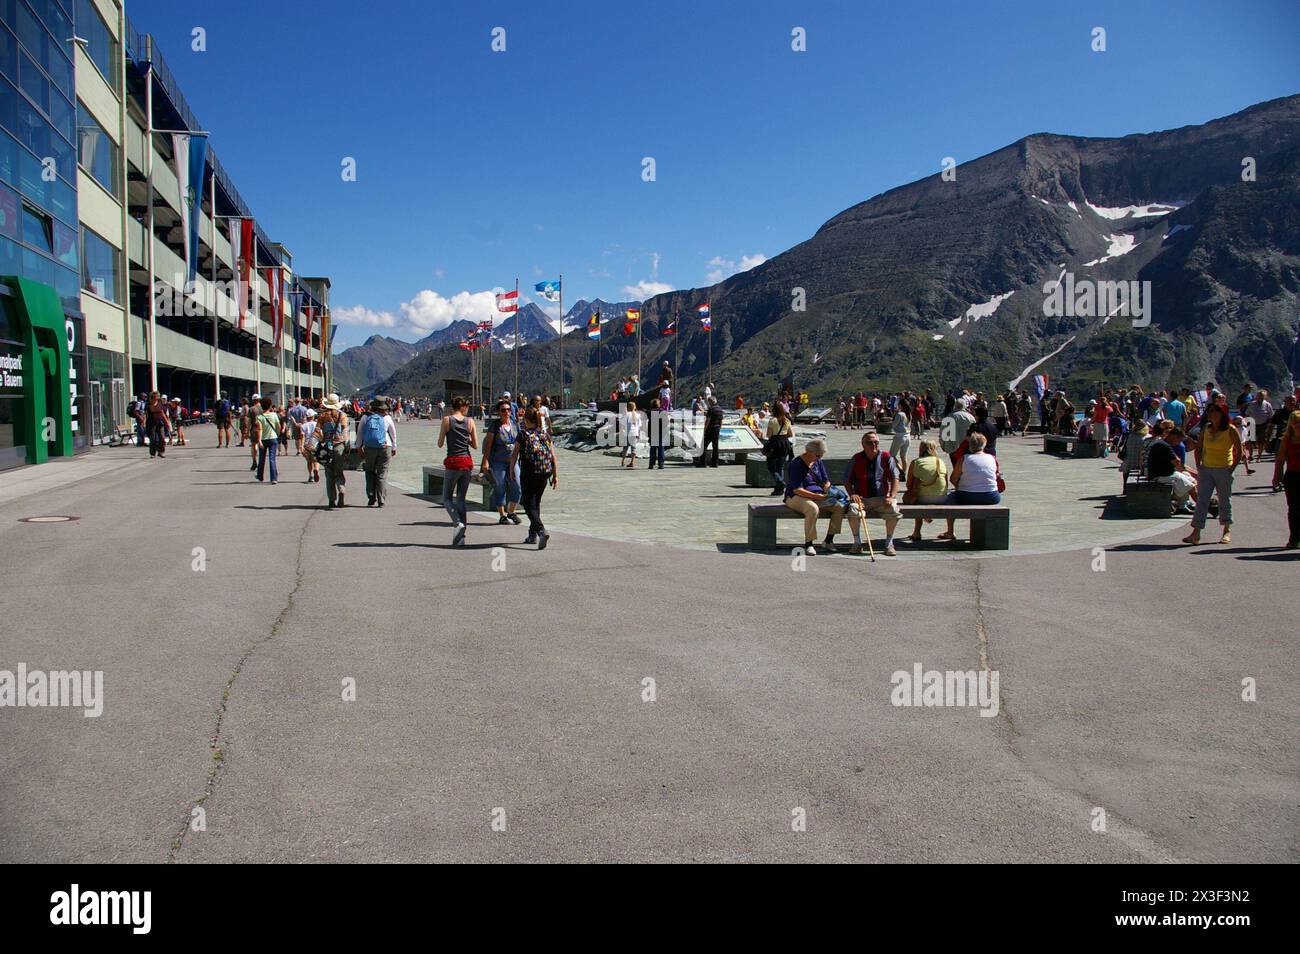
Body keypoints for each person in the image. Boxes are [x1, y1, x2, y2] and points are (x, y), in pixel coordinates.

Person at [1183, 402, 1242, 545]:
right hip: (1207, 469)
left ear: (1222, 414)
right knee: (1202, 501)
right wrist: (1199, 466)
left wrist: (1232, 468)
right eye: (1209, 412)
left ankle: (1226, 530)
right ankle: (1196, 533)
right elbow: (1199, 447)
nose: (1210, 415)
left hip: (1224, 469)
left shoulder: (1230, 429)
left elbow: (1239, 451)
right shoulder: (1206, 429)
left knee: (1224, 500)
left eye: (1213, 412)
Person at [843, 431, 903, 556]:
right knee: (853, 510)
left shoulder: (886, 457)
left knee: (893, 509)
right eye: (869, 443)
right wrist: (852, 494)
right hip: (862, 499)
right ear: (863, 444)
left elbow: (895, 478)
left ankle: (889, 543)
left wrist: (891, 496)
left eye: (876, 442)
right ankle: (857, 543)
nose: (873, 445)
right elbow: (847, 480)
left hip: (882, 498)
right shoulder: (856, 458)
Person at [783, 438, 846, 555]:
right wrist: (818, 497)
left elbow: (825, 480)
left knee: (840, 507)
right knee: (812, 509)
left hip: (818, 494)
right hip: (795, 496)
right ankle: (809, 543)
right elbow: (797, 489)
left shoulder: (817, 462)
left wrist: (827, 489)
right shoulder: (796, 464)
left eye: (821, 456)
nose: (819, 458)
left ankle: (829, 540)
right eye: (817, 455)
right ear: (809, 452)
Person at [939, 431, 1002, 541]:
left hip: (967, 495)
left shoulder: (964, 459)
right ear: (984, 444)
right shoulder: (992, 458)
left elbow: (953, 479)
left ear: (970, 445)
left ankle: (950, 531)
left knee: (950, 498)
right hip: (991, 496)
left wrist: (961, 486)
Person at [511, 405, 558, 549]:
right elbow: (553, 456)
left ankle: (541, 530)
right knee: (535, 503)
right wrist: (555, 475)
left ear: (526, 420)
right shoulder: (545, 435)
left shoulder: (523, 434)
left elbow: (515, 454)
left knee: (527, 503)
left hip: (529, 473)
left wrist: (511, 469)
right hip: (545, 472)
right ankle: (532, 535)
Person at [481, 400, 522, 525]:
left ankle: (511, 511)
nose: (507, 412)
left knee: (518, 487)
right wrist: (485, 462)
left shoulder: (515, 424)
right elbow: (488, 446)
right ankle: (502, 515)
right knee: (500, 487)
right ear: (498, 412)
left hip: (513, 461)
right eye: (503, 410)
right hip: (498, 462)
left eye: (508, 409)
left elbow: (519, 442)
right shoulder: (495, 426)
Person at [904, 439, 949, 542]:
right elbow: (946, 483)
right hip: (942, 498)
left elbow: (908, 485)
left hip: (922, 499)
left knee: (915, 494)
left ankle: (917, 532)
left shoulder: (916, 462)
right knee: (951, 498)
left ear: (921, 449)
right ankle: (950, 530)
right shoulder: (940, 461)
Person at [1145, 425, 1196, 514]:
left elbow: (1177, 462)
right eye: (1179, 440)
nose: (1179, 443)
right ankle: (1204, 507)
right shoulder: (1164, 445)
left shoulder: (1162, 443)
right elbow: (1177, 462)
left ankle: (1182, 506)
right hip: (1159, 475)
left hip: (1163, 473)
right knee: (1191, 487)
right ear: (1174, 436)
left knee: (1188, 478)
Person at [358, 396, 398, 508]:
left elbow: (360, 433)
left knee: (370, 471)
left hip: (369, 447)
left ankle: (371, 497)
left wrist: (358, 447)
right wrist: (394, 446)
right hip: (385, 446)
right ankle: (381, 500)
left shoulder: (366, 417)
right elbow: (393, 433)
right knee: (382, 474)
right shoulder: (387, 417)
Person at [1272, 411, 1300, 549]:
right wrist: (1277, 476)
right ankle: (1294, 538)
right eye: (1295, 422)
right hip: (1293, 476)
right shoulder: (1286, 440)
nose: (1298, 424)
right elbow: (1280, 459)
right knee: (1294, 509)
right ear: (1291, 424)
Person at [316, 394, 349, 509]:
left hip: (327, 447)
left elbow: (317, 431)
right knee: (339, 472)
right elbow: (345, 431)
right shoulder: (342, 415)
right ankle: (341, 489)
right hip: (339, 446)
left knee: (329, 474)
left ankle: (331, 500)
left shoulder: (322, 416)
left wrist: (321, 440)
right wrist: (346, 444)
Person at [764, 403, 795, 496]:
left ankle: (780, 481)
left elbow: (769, 435)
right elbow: (790, 434)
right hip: (785, 444)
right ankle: (779, 490)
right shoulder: (786, 420)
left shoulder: (772, 421)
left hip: (775, 444)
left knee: (771, 466)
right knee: (780, 467)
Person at [252, 396, 281, 484]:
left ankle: (260, 476)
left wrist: (259, 440)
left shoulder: (259, 417)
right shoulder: (274, 415)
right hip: (273, 438)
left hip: (263, 439)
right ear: (269, 406)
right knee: (272, 458)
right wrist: (278, 433)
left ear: (261, 405)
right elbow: (278, 426)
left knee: (262, 458)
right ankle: (273, 478)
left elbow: (259, 429)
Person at [1245, 389, 1273, 464]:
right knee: (1250, 441)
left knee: (1261, 442)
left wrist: (1269, 425)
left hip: (1263, 425)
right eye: (1259, 395)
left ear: (1265, 397)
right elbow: (1247, 413)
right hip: (1252, 424)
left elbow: (1270, 416)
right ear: (1257, 396)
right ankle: (1250, 455)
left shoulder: (1267, 405)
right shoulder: (1251, 404)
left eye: (1262, 396)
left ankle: (1259, 457)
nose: (1260, 397)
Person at [695, 397, 724, 467]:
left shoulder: (711, 409)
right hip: (717, 429)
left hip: (710, 428)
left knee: (703, 445)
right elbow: (721, 420)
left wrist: (705, 430)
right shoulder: (720, 409)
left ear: (710, 402)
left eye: (708, 402)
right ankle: (715, 463)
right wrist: (719, 427)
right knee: (715, 446)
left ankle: (703, 463)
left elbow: (708, 420)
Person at [143, 391, 169, 458]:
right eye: (157, 396)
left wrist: (167, 422)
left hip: (160, 423)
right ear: (153, 397)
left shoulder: (160, 404)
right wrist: (144, 423)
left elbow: (162, 413)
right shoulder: (148, 405)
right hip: (151, 424)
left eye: (158, 396)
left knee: (162, 438)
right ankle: (152, 453)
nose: (158, 397)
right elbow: (145, 415)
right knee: (153, 439)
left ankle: (161, 452)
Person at [300, 406, 320, 483]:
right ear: (313, 416)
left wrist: (301, 446)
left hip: (307, 444)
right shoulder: (317, 424)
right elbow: (320, 433)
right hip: (315, 444)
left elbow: (302, 436)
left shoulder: (304, 425)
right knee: (316, 460)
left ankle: (311, 475)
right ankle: (316, 469)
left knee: (309, 461)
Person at [620, 400, 643, 468]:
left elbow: (623, 424)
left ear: (628, 408)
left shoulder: (627, 414)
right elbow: (639, 426)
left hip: (628, 433)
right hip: (635, 433)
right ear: (635, 407)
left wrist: (622, 431)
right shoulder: (638, 415)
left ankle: (623, 461)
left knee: (625, 448)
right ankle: (632, 462)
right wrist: (638, 434)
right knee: (633, 448)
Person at [889, 403, 911, 473]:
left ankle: (900, 470)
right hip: (908, 435)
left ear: (901, 405)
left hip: (900, 436)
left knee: (891, 455)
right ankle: (904, 472)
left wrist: (894, 416)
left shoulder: (900, 414)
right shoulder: (909, 414)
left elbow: (894, 424)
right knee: (903, 456)